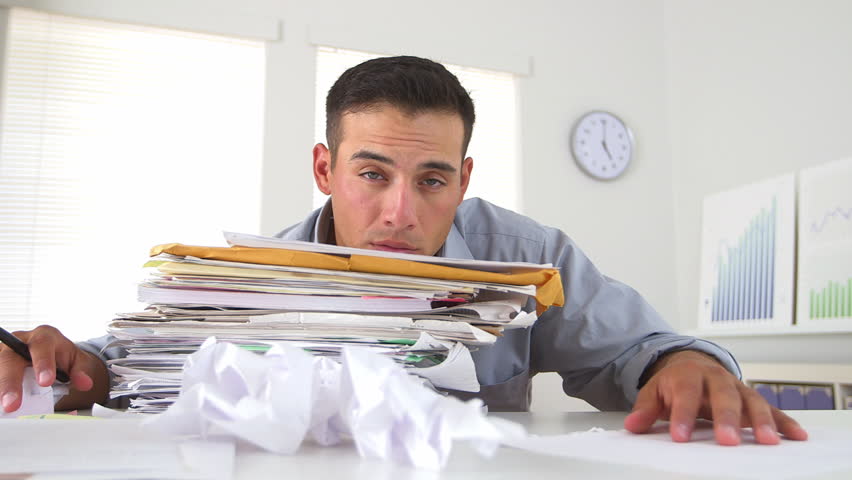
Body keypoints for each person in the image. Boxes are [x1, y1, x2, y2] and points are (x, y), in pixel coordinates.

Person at [0, 55, 806, 447]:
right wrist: (69, 367)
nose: (398, 211)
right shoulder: (260, 274)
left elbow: (644, 349)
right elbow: (137, 359)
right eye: (371, 173)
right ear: (325, 168)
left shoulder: (527, 256)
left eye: (431, 179)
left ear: (463, 178)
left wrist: (686, 367)